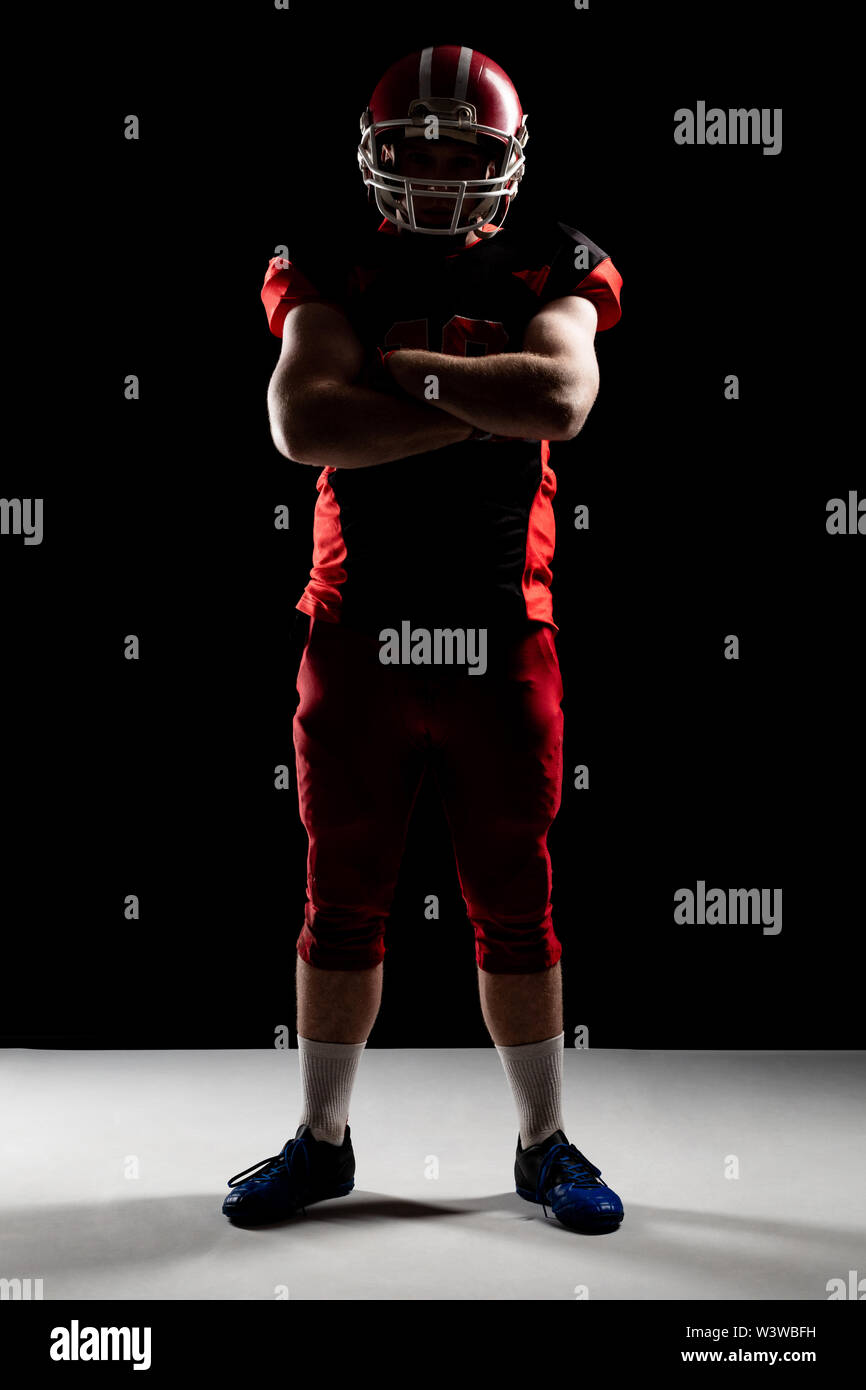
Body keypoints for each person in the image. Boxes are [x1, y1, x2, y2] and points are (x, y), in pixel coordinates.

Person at [223, 45, 624, 1235]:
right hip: (357, 627)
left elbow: (558, 399)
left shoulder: (558, 254)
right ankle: (321, 1141)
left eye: (465, 152)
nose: (443, 174)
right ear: (377, 157)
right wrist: (472, 400)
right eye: (419, 151)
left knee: (516, 898)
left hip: (505, 627)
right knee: (336, 897)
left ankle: (543, 1147)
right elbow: (302, 421)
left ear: (504, 160)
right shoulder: (323, 256)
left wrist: (406, 383)